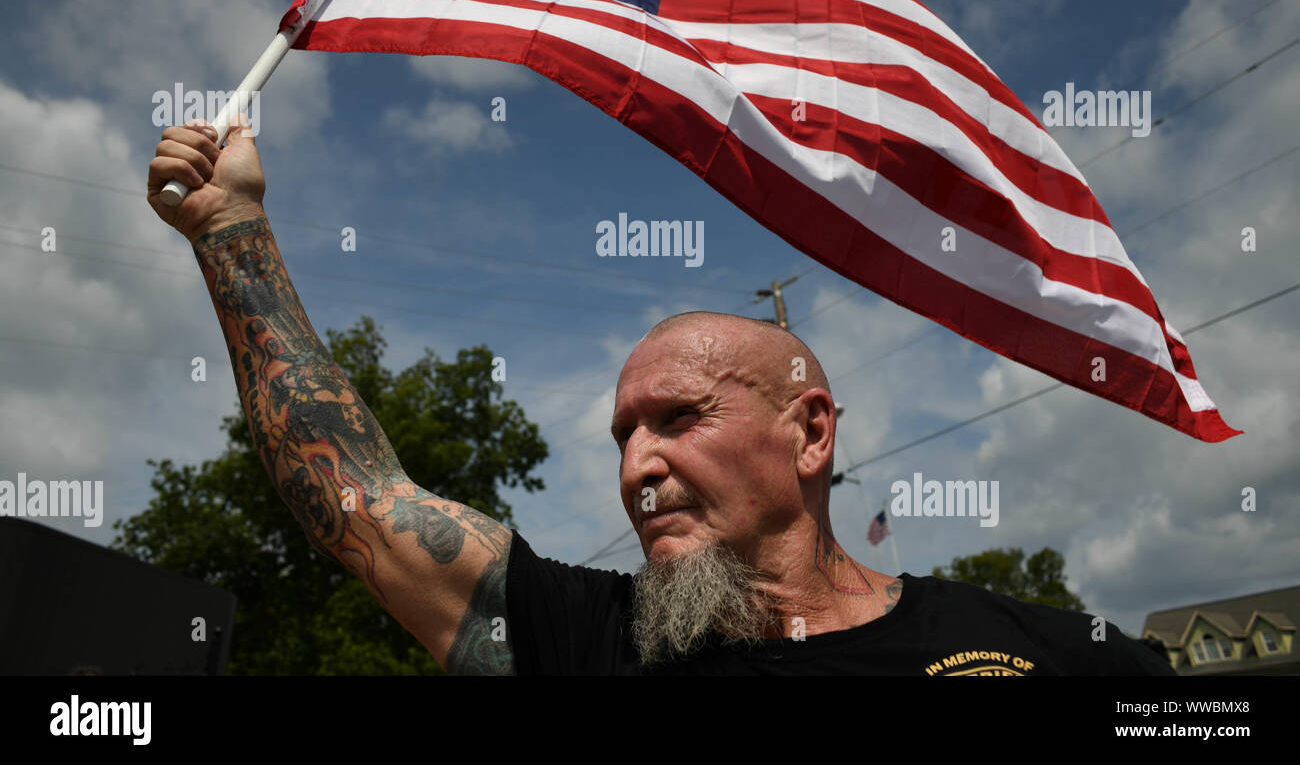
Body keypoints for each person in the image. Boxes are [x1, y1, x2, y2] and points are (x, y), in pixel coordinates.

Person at [147, 118, 1174, 676]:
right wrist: (233, 228)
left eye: (679, 417)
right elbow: (359, 498)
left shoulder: (1049, 652)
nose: (637, 463)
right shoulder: (590, 639)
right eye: (624, 434)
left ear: (809, 430)